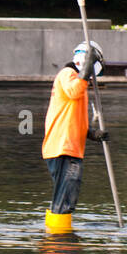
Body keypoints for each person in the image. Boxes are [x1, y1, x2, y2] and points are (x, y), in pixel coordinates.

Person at [42, 41, 103, 234]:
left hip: (70, 146)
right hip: (62, 146)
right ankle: (58, 237)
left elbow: (74, 118)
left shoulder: (79, 82)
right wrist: (86, 70)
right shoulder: (67, 75)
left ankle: (59, 230)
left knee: (67, 192)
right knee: (66, 191)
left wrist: (92, 134)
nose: (93, 78)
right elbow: (73, 91)